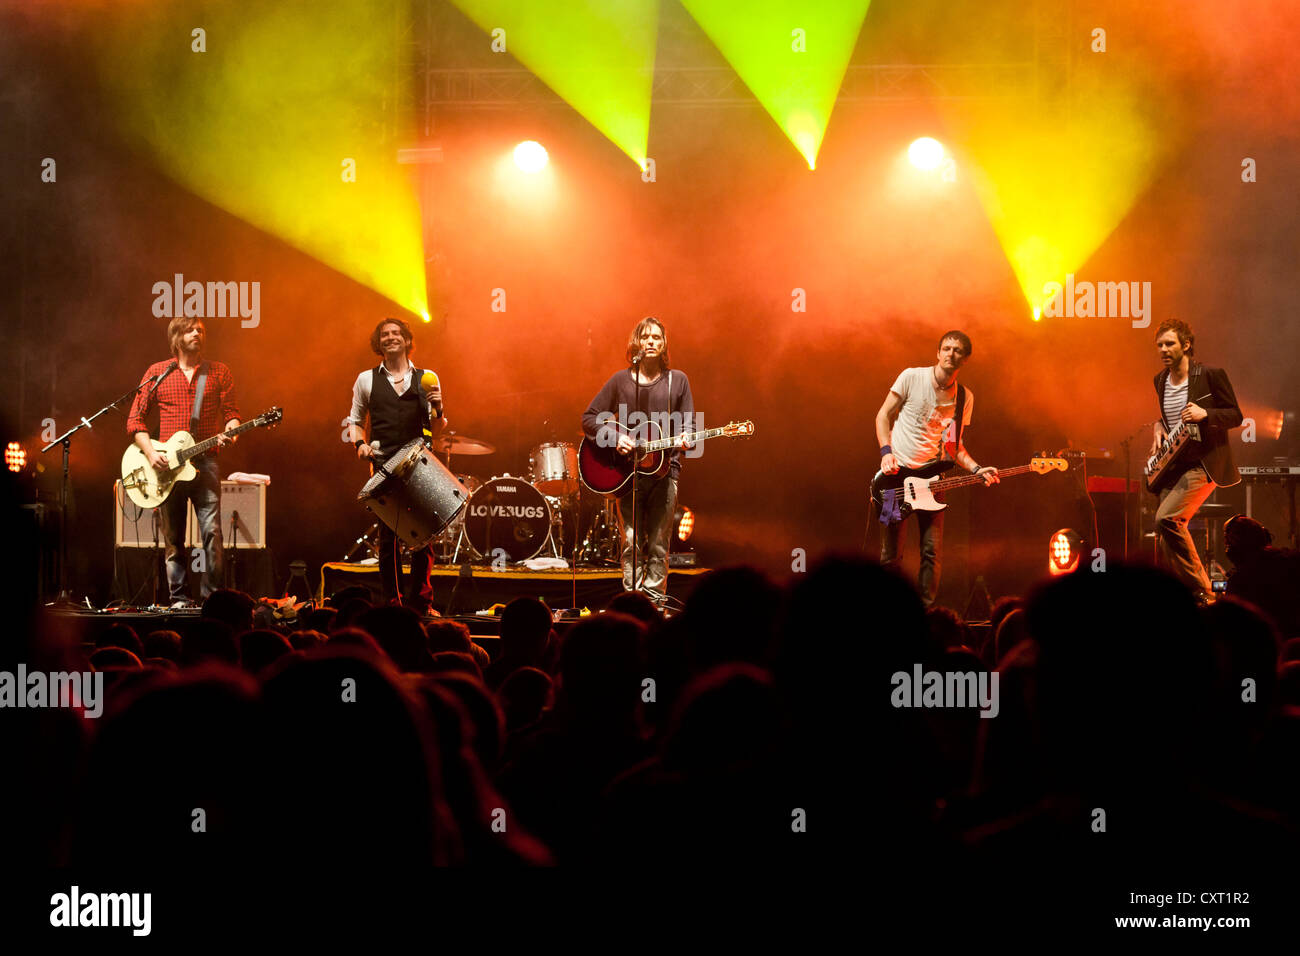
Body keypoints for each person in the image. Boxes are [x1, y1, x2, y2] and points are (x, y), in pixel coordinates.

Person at [873, 330, 998, 607]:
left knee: (931, 553)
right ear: (938, 353)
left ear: (965, 359)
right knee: (890, 554)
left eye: (957, 351)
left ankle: (925, 613)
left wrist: (977, 469)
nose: (951, 354)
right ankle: (888, 612)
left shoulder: (964, 398)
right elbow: (883, 415)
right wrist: (886, 452)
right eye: (947, 348)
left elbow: (953, 447)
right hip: (895, 478)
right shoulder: (911, 377)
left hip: (932, 483)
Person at [126, 317, 240, 608]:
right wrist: (151, 454)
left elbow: (232, 414)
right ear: (176, 337)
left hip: (206, 464)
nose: (197, 334)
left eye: (200, 330)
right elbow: (135, 420)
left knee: (211, 532)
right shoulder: (158, 373)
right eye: (190, 330)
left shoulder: (218, 372)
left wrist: (232, 430)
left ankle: (212, 599)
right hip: (166, 468)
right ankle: (178, 599)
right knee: (173, 538)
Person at [582, 317, 694, 603]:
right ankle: (632, 601)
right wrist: (614, 437)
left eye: (657, 337)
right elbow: (589, 418)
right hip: (627, 476)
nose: (652, 342)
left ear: (664, 344)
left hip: (665, 474)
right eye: (646, 338)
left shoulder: (677, 381)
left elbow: (690, 426)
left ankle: (654, 602)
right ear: (637, 344)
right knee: (631, 542)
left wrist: (687, 437)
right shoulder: (621, 380)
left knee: (658, 544)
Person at [346, 317, 445, 614]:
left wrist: (439, 408)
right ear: (379, 343)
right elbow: (354, 420)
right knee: (388, 537)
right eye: (385, 335)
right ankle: (393, 604)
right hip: (385, 463)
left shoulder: (427, 377)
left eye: (396, 334)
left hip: (419, 462)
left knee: (422, 536)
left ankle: (422, 604)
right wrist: (360, 445)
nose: (391, 338)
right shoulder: (366, 379)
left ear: (406, 340)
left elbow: (437, 430)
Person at [1148, 319, 1242, 604]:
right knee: (1164, 534)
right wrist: (1158, 426)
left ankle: (1205, 593)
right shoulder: (1160, 380)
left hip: (1204, 463)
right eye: (1160, 345)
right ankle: (1180, 596)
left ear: (1186, 345)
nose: (1163, 350)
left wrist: (1206, 414)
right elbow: (1171, 418)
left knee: (1167, 518)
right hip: (1173, 466)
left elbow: (1235, 415)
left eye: (1170, 344)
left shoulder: (1210, 375)